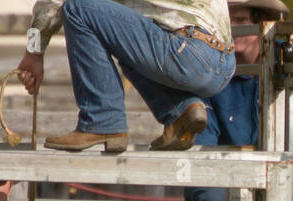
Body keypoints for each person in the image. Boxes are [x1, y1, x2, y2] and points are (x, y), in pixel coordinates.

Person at [18, 0, 236, 152]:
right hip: (223, 62)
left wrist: (34, 52)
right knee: (124, 41)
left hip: (187, 52)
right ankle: (181, 111)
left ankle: (101, 121)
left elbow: (53, 3)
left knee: (77, 8)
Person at [186, 0, 292, 201]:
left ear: (262, 22)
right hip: (223, 174)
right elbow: (202, 146)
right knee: (213, 199)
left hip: (284, 173)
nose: (232, 28)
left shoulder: (292, 62)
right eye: (225, 20)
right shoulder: (203, 70)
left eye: (241, 20)